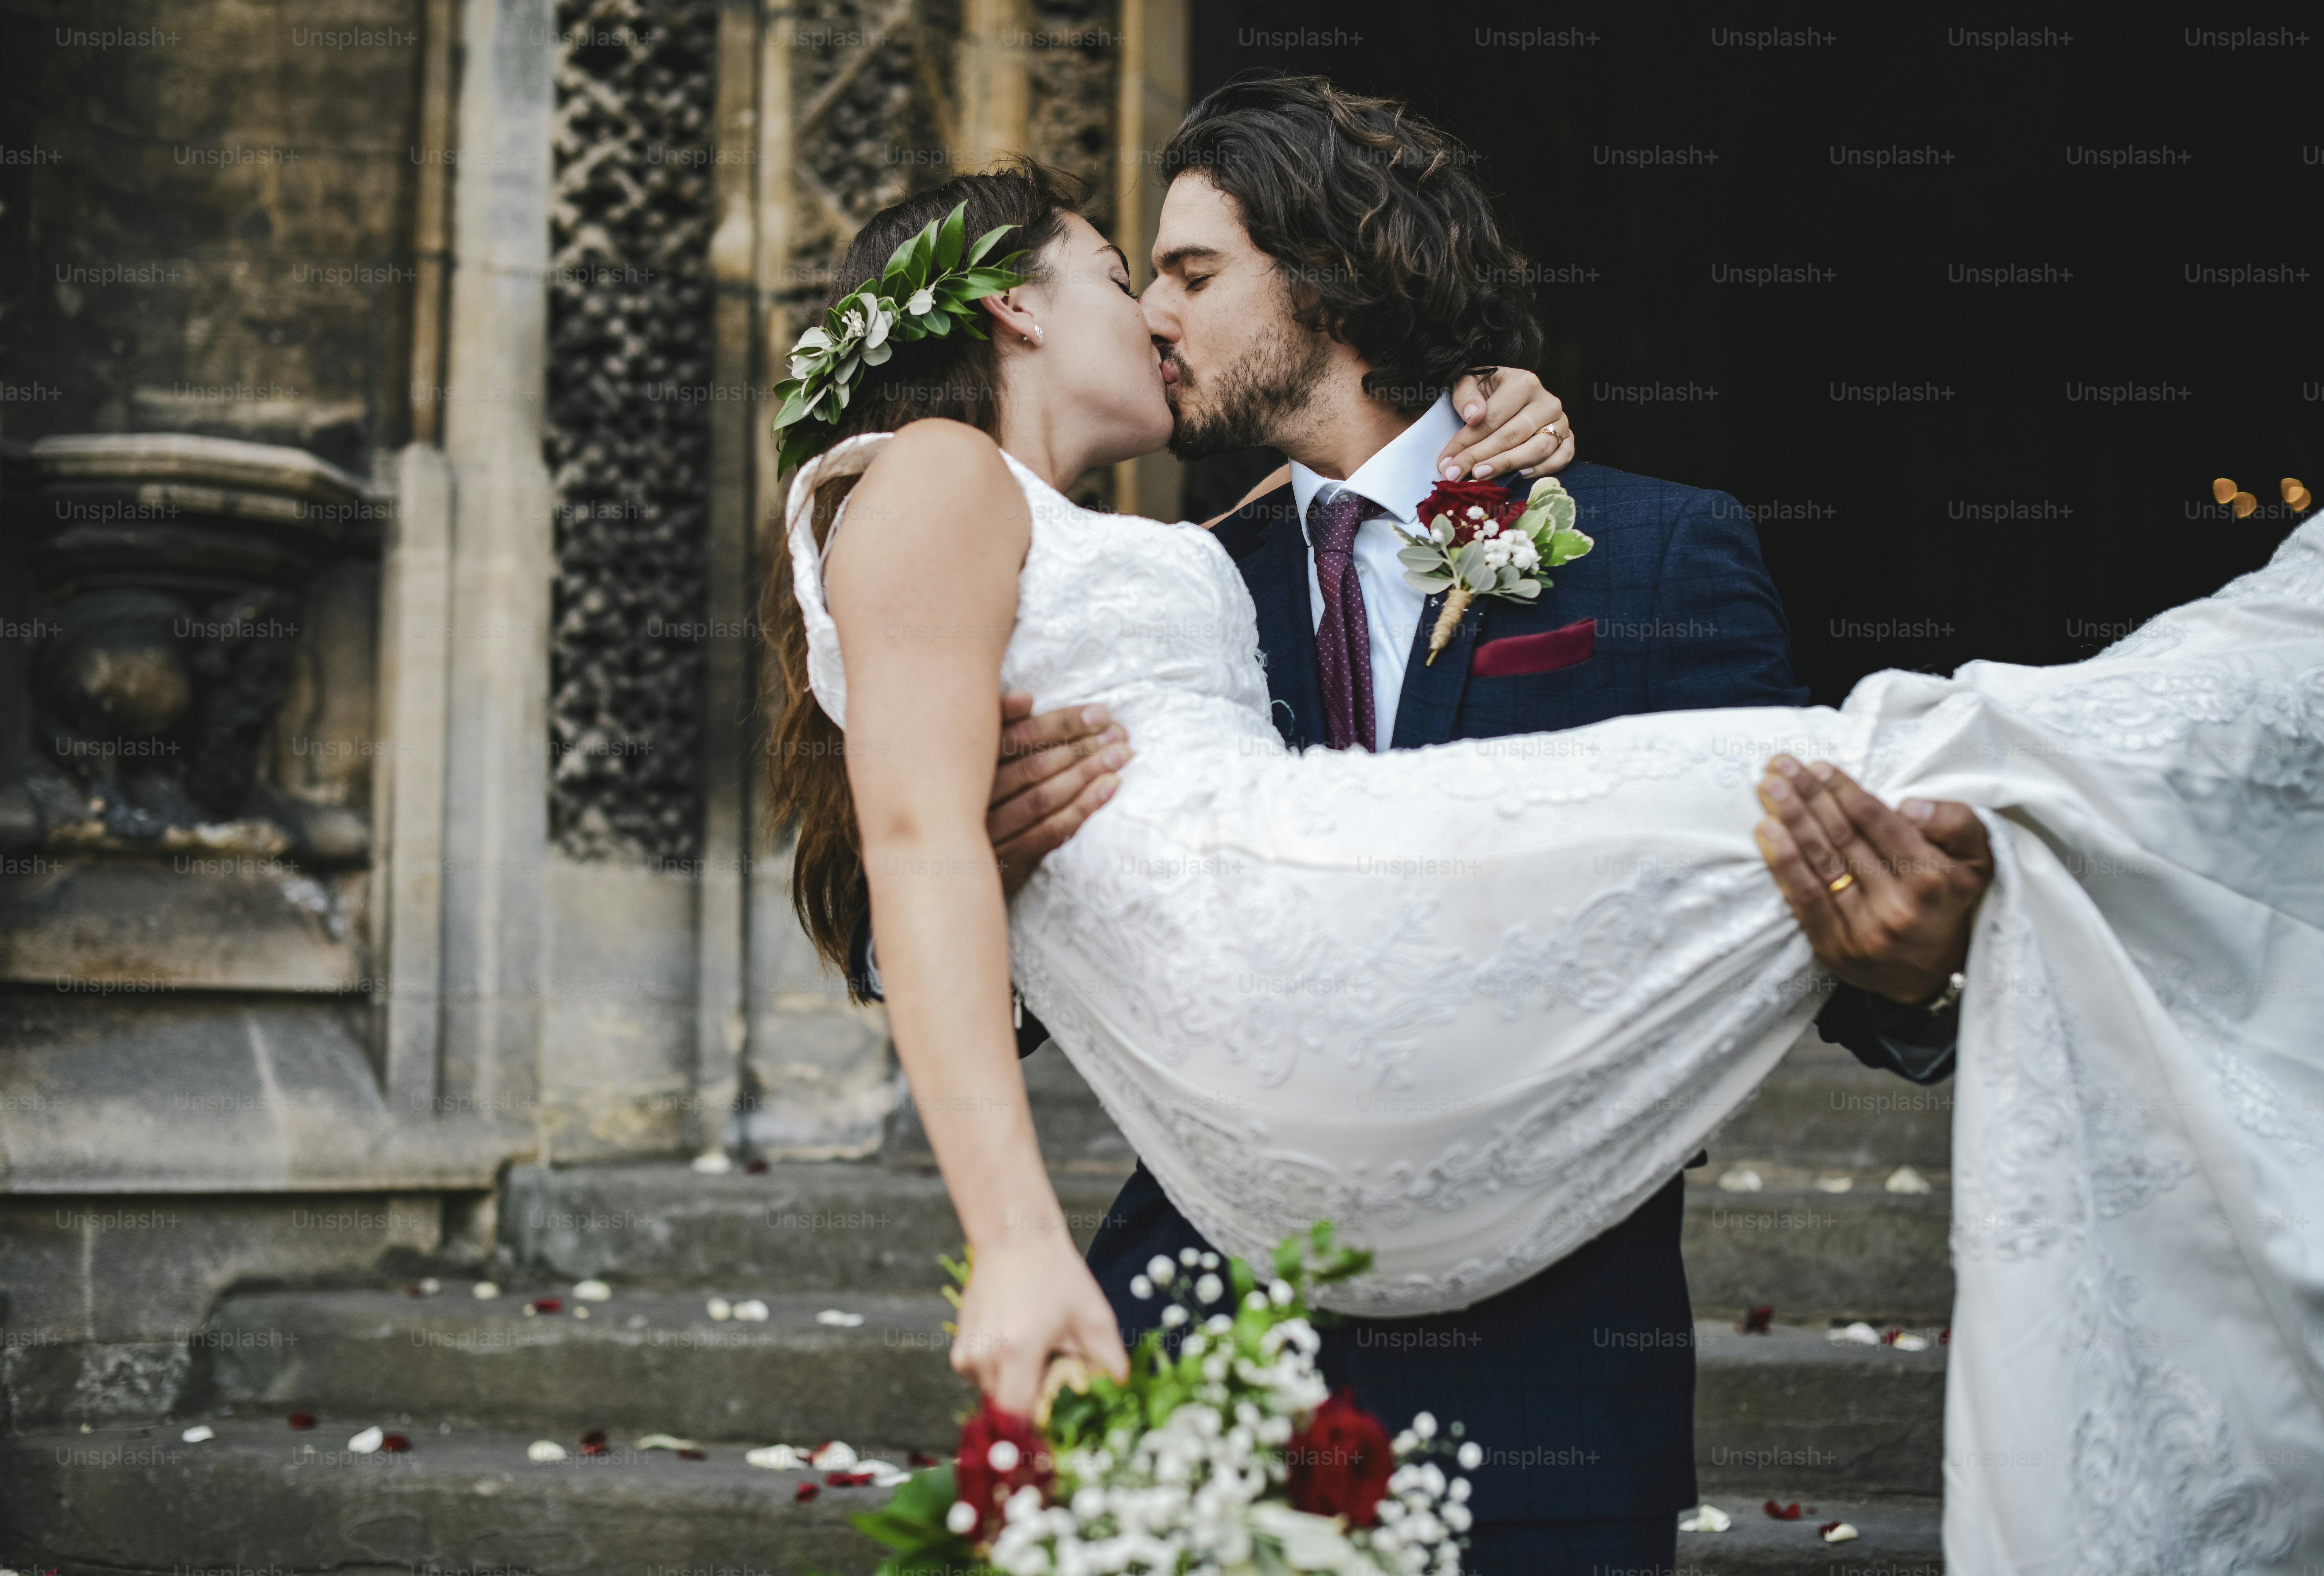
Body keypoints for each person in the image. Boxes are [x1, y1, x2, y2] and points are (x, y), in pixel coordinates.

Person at [765, 120, 2323, 1576]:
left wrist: (1918, 968)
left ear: (1330, 276)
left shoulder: (1652, 549)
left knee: (1913, 768)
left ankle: (2230, 722)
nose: (1158, 318)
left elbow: (1802, 918)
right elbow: (914, 891)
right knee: (1955, 742)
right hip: (1204, 1310)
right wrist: (996, 855)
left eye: (1189, 272)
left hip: (1545, 1364)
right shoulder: (1169, 566)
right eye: (1134, 277)